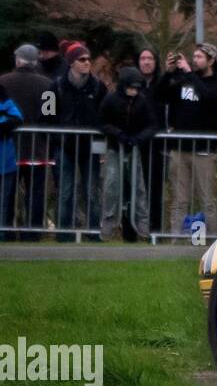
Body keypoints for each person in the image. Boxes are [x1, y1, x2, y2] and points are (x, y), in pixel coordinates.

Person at [160, 43, 217, 239]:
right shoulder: (185, 80)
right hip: (180, 149)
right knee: (179, 200)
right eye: (194, 56)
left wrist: (189, 73)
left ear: (211, 61)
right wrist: (168, 72)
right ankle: (176, 241)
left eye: (199, 57)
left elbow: (207, 97)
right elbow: (161, 95)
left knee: (207, 200)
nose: (195, 60)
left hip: (204, 151)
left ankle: (213, 242)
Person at [98, 66, 158, 241]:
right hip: (114, 149)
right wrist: (118, 134)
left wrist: (139, 138)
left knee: (138, 188)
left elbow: (152, 125)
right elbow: (102, 122)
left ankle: (142, 224)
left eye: (137, 88)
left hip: (133, 149)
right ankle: (108, 224)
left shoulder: (142, 101)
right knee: (111, 187)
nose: (134, 91)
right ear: (123, 86)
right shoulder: (111, 100)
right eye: (131, 87)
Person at [54, 42, 107, 240]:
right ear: (71, 63)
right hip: (65, 146)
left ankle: (94, 233)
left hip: (90, 147)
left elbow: (106, 113)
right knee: (65, 192)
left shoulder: (98, 86)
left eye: (88, 59)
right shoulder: (57, 86)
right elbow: (46, 113)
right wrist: (56, 136)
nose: (87, 63)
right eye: (82, 59)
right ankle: (63, 235)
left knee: (92, 192)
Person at [0, 45, 54, 239]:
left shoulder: (3, 82)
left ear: (17, 60)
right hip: (36, 148)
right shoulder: (48, 85)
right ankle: (32, 233)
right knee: (35, 194)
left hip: (7, 147)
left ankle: (4, 231)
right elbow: (51, 115)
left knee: (6, 194)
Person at [132, 46, 167, 238]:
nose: (146, 62)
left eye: (150, 58)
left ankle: (155, 231)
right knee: (133, 189)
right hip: (134, 142)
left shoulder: (161, 85)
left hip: (157, 145)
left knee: (155, 189)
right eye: (143, 58)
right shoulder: (131, 84)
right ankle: (133, 231)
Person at [0, 83, 22, 237]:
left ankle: (3, 232)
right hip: (5, 160)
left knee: (5, 200)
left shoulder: (3, 95)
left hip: (5, 160)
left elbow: (17, 117)